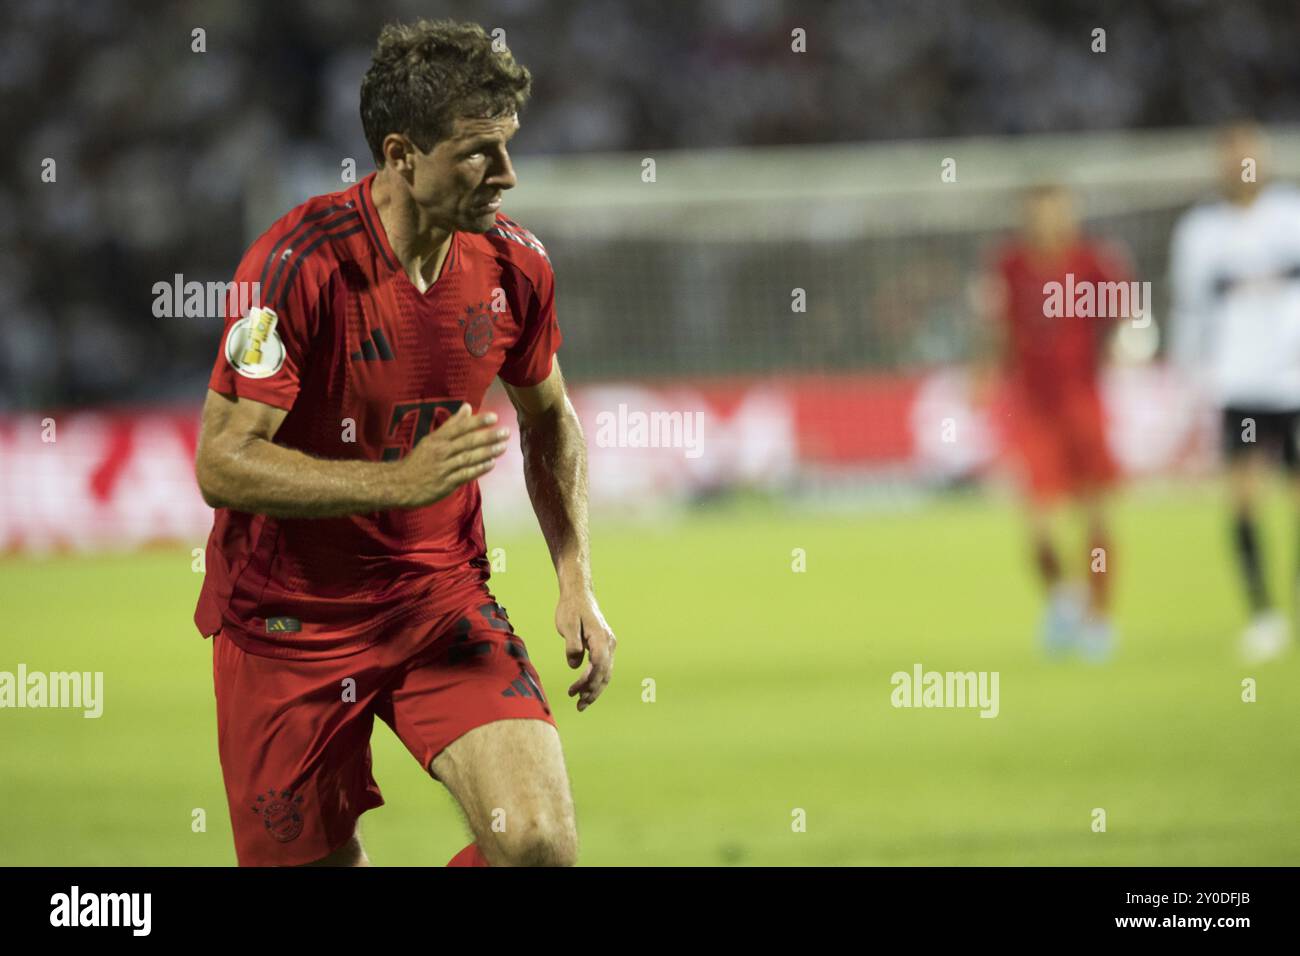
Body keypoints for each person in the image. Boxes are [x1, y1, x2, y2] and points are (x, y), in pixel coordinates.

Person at [192, 19, 615, 866]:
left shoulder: (513, 266)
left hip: (437, 603)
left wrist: (575, 578)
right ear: (401, 154)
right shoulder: (293, 267)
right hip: (289, 626)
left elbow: (550, 418)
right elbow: (221, 462)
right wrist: (397, 483)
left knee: (535, 847)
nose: (508, 174)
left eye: (507, 147)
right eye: (478, 153)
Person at [979, 183, 1134, 660]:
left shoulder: (1094, 262)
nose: (1048, 222)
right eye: (1039, 213)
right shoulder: (1008, 265)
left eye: (1057, 212)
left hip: (1082, 406)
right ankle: (1065, 601)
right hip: (1032, 410)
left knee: (1096, 516)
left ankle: (1100, 621)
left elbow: (1124, 320)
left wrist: (1119, 358)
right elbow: (997, 328)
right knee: (1038, 527)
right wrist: (984, 373)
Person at [1169, 121, 1300, 662]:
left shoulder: (1291, 215)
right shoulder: (1200, 232)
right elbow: (1189, 309)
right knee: (1244, 501)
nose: (1241, 166)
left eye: (1249, 156)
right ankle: (1263, 614)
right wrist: (1185, 380)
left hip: (1294, 381)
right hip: (1238, 384)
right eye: (1232, 157)